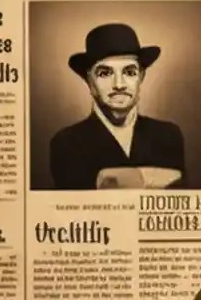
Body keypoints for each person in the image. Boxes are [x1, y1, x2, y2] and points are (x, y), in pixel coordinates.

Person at [49, 22, 187, 190]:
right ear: (89, 81)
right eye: (105, 73)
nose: (119, 84)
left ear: (141, 77)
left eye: (129, 72)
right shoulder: (67, 143)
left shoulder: (168, 136)